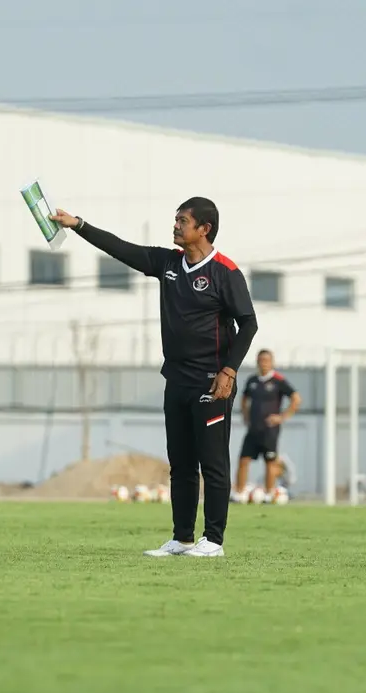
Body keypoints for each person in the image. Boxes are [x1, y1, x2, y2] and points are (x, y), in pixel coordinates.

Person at [49, 198, 258, 558]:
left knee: (213, 463)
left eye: (182, 221)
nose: (175, 226)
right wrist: (78, 224)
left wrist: (228, 370)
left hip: (212, 382)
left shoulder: (226, 272)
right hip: (176, 380)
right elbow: (122, 249)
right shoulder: (168, 264)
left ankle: (214, 541)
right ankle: (182, 538)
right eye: (175, 220)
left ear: (203, 229)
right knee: (180, 464)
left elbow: (249, 324)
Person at [233, 349, 301, 501]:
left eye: (266, 360)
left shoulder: (278, 381)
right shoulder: (252, 381)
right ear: (257, 362)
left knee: (270, 461)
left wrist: (282, 417)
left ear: (272, 362)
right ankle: (239, 493)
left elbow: (296, 398)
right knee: (243, 460)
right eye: (261, 360)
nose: (263, 363)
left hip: (270, 430)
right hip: (253, 428)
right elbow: (244, 399)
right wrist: (245, 416)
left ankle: (270, 494)